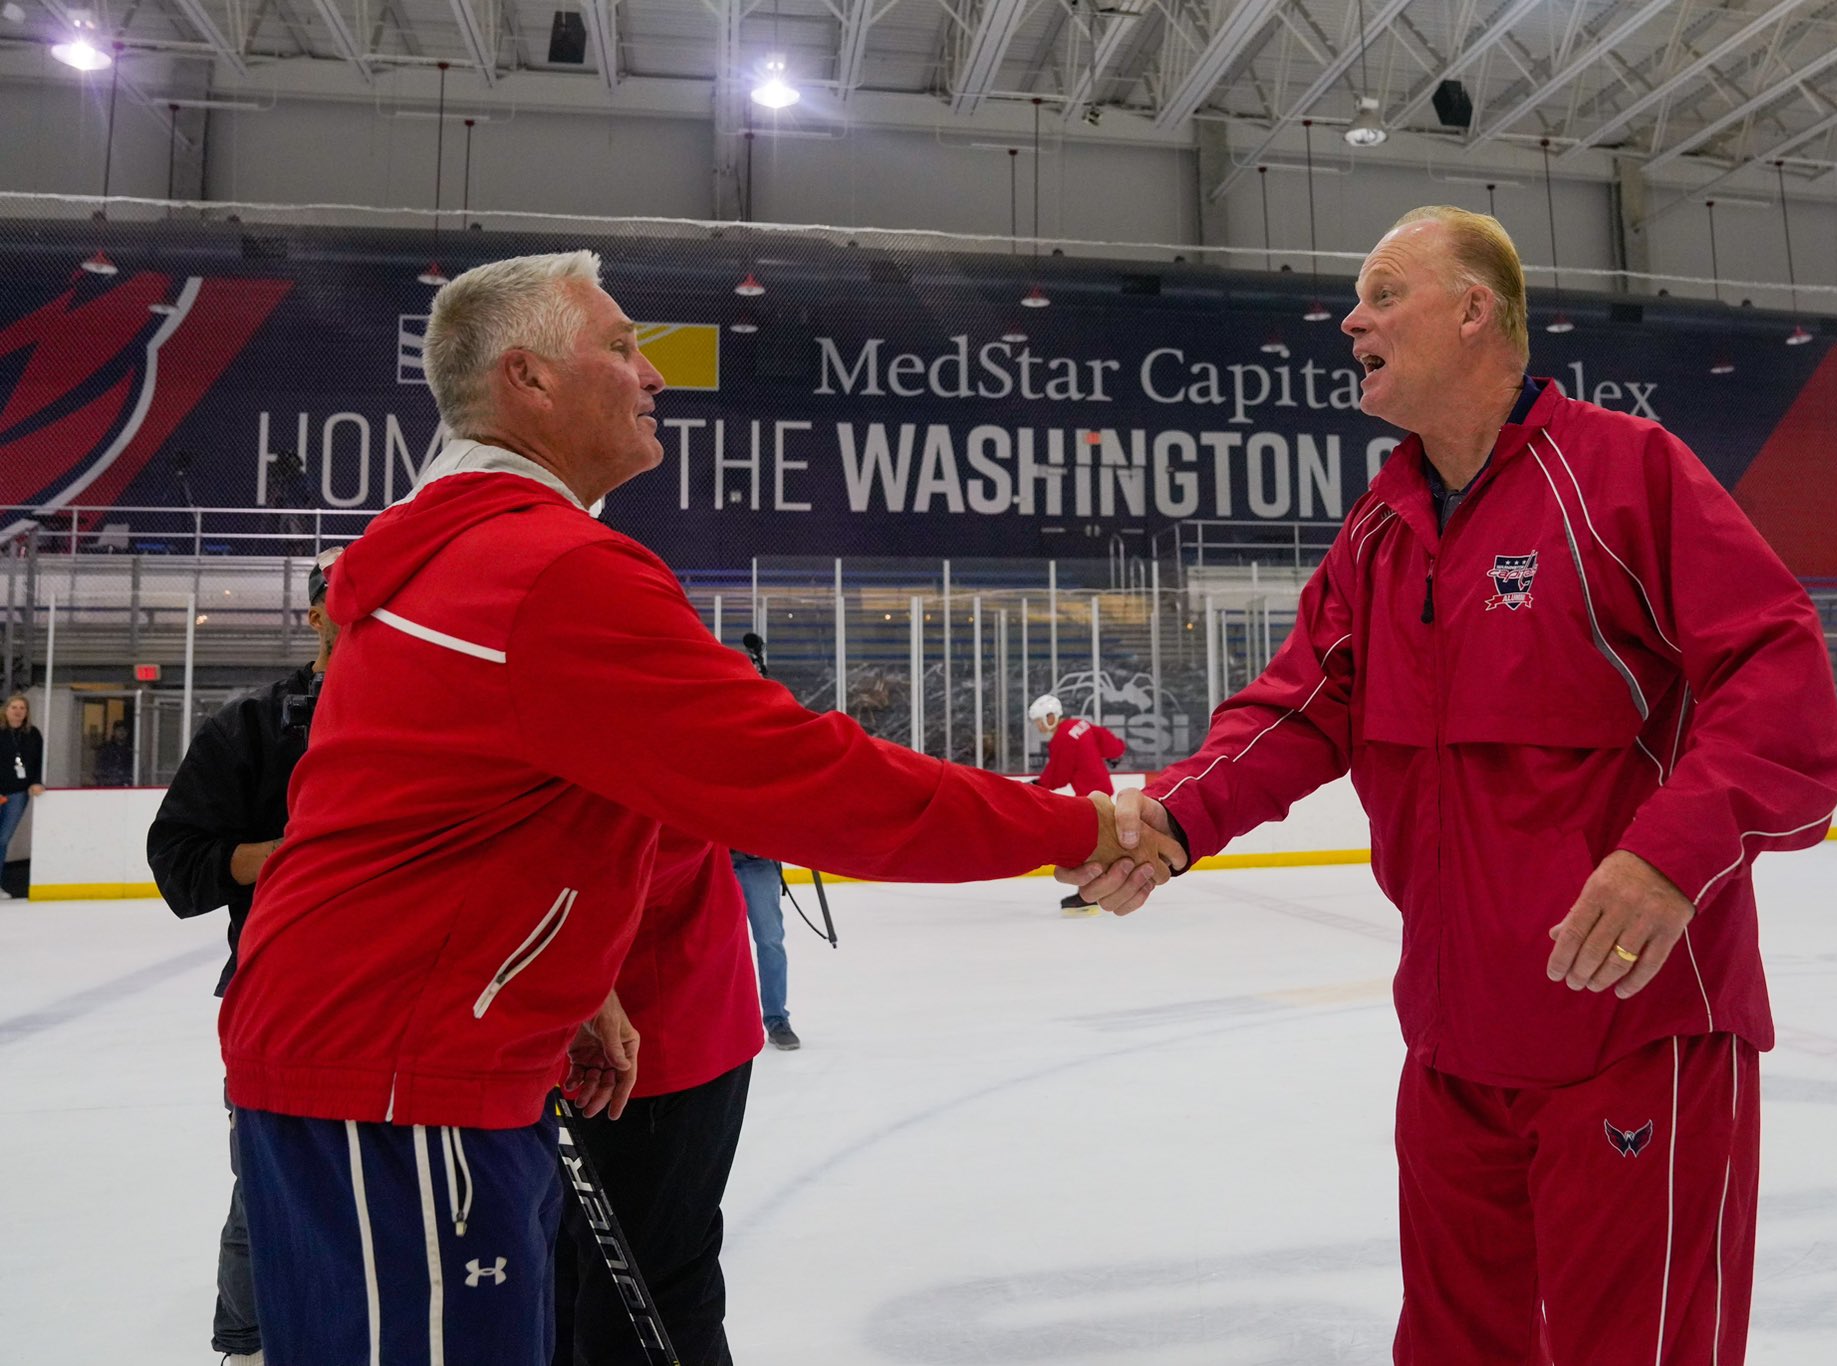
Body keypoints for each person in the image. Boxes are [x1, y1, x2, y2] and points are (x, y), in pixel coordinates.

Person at [216, 250, 1182, 1366]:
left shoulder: (456, 559)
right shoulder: (547, 571)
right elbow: (814, 782)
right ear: (526, 381)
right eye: (621, 347)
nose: (652, 374)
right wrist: (1084, 826)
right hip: (398, 1075)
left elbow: (439, 811)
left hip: (402, 1052)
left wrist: (565, 979)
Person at [1077, 206, 1837, 1365]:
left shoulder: (1622, 473)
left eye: (1384, 292)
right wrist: (1172, 817)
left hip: (1629, 1036)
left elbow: (1776, 672)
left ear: (1475, 309)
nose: (1352, 319)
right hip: (1450, 1051)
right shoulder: (1380, 531)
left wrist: (1666, 853)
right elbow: (1297, 706)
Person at [145, 548, 342, 1366]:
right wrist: (282, 855)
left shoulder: (437, 717)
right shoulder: (254, 726)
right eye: (339, 594)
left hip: (414, 1004)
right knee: (271, 1182)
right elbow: (179, 858)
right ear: (312, 613)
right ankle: (248, 1342)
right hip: (282, 1000)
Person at [554, 827, 759, 1366]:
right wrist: (577, 971)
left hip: (583, 1030)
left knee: (580, 1267)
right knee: (646, 1290)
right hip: (642, 1046)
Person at [1028, 693, 1127, 915]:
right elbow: (1107, 741)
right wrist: (1117, 751)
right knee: (1096, 844)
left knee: (1088, 847)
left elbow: (1059, 775)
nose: (1038, 727)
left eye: (1039, 722)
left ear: (1050, 717)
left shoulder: (1062, 737)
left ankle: (1091, 895)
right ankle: (1097, 890)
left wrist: (1038, 784)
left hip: (1088, 799)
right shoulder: (1080, 724)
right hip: (1099, 793)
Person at [731, 851, 799, 1049]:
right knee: (722, 945)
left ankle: (777, 1019)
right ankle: (724, 1022)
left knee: (770, 942)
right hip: (715, 860)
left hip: (759, 861)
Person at [0, 691, 45, 898]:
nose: (18, 712)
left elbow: (37, 762)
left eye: (22, 708)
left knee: (3, 838)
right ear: (5, 710)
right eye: (14, 708)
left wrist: (36, 781)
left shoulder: (32, 734)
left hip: (17, 793)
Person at [92, 719, 134, 787]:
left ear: (127, 732)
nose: (122, 732)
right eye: (119, 730)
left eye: (124, 730)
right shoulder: (105, 749)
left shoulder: (131, 751)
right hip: (108, 787)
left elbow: (133, 770)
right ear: (114, 732)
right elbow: (98, 770)